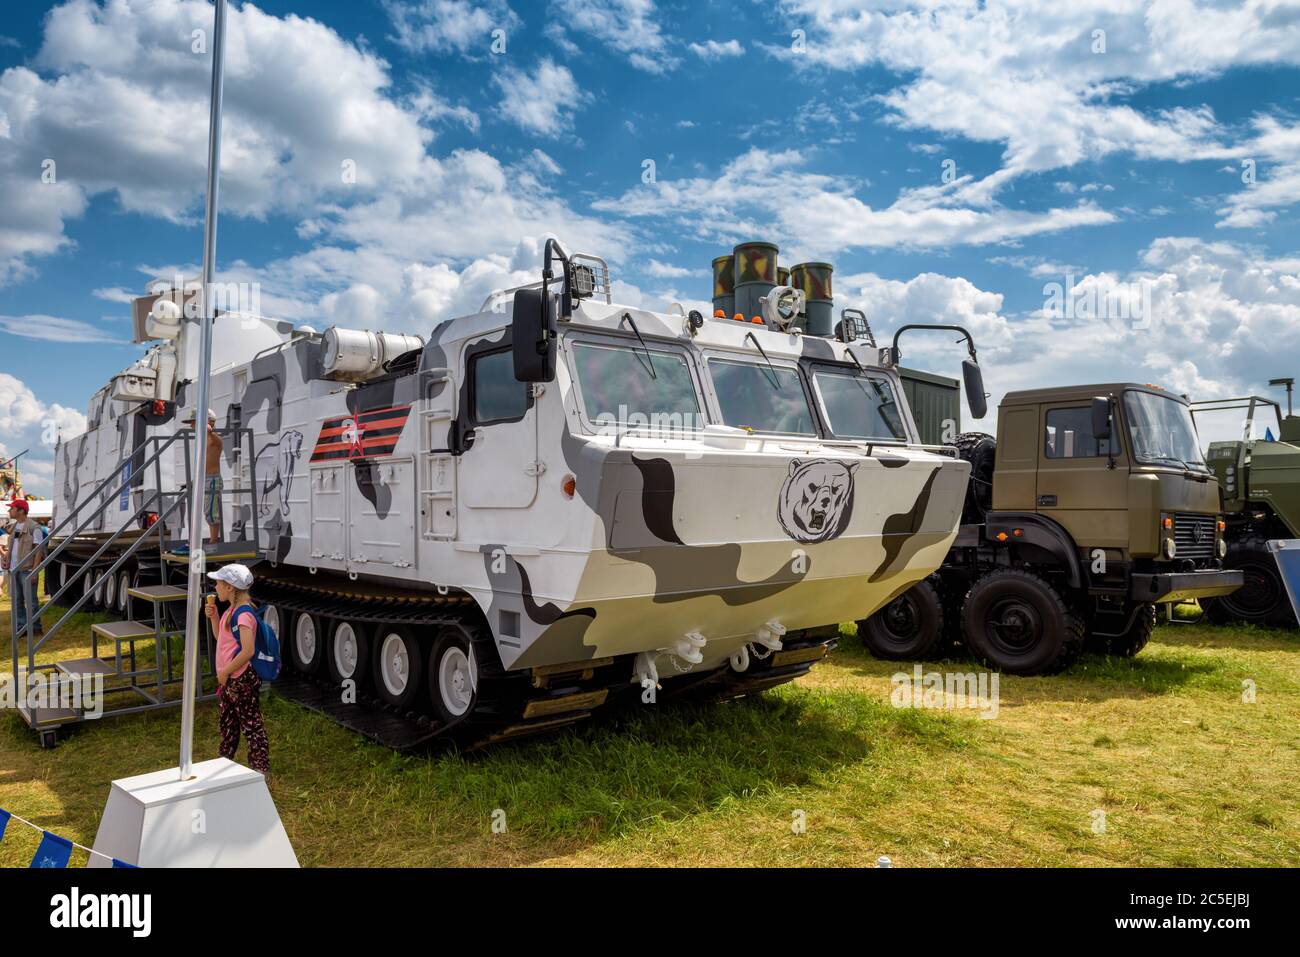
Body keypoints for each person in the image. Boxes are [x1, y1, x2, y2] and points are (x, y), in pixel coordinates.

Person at [204, 563, 270, 776]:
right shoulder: (229, 612)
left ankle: (260, 769)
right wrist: (214, 617)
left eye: (218, 584)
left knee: (251, 725)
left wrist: (225, 671)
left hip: (240, 679)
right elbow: (222, 639)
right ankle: (224, 764)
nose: (215, 587)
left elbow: (248, 651)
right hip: (229, 680)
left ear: (230, 587)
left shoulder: (243, 615)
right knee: (228, 723)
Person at [2, 499, 45, 636]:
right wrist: (6, 560)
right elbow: (13, 549)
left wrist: (35, 571)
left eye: (12, 508)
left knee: (31, 601)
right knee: (17, 601)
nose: (9, 511)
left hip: (27, 571)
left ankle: (35, 628)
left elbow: (39, 550)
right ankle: (22, 629)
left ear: (21, 511)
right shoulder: (14, 527)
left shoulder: (34, 527)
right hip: (13, 570)